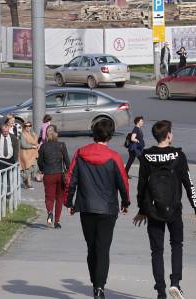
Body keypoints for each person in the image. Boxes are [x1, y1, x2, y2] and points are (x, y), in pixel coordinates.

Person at [133, 120, 196, 299]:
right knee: (176, 246)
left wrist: (142, 209)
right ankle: (175, 283)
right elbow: (189, 184)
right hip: (174, 210)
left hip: (153, 211)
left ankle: (160, 291)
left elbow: (141, 186)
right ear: (168, 136)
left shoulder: (146, 155)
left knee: (156, 251)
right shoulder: (178, 156)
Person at [65, 117, 130, 299]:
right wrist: (126, 202)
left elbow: (71, 179)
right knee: (103, 249)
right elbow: (123, 182)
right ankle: (99, 288)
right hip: (108, 209)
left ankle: (95, 282)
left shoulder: (80, 153)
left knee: (91, 247)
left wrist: (69, 202)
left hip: (86, 207)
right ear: (109, 136)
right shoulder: (114, 157)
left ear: (93, 133)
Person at [37, 125, 70, 228]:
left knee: (49, 197)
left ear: (46, 134)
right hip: (60, 174)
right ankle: (57, 221)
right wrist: (68, 172)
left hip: (48, 175)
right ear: (56, 134)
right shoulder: (61, 145)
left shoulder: (43, 146)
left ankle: (50, 212)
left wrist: (43, 170)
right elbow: (67, 162)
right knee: (59, 198)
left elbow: (40, 162)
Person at [18, 120, 40, 189]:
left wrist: (37, 145)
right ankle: (28, 183)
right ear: (24, 127)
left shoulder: (33, 133)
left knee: (34, 168)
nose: (28, 127)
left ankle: (24, 180)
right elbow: (23, 145)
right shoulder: (22, 134)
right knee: (28, 169)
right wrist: (33, 146)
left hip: (33, 154)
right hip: (25, 154)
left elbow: (36, 142)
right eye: (26, 126)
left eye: (29, 126)